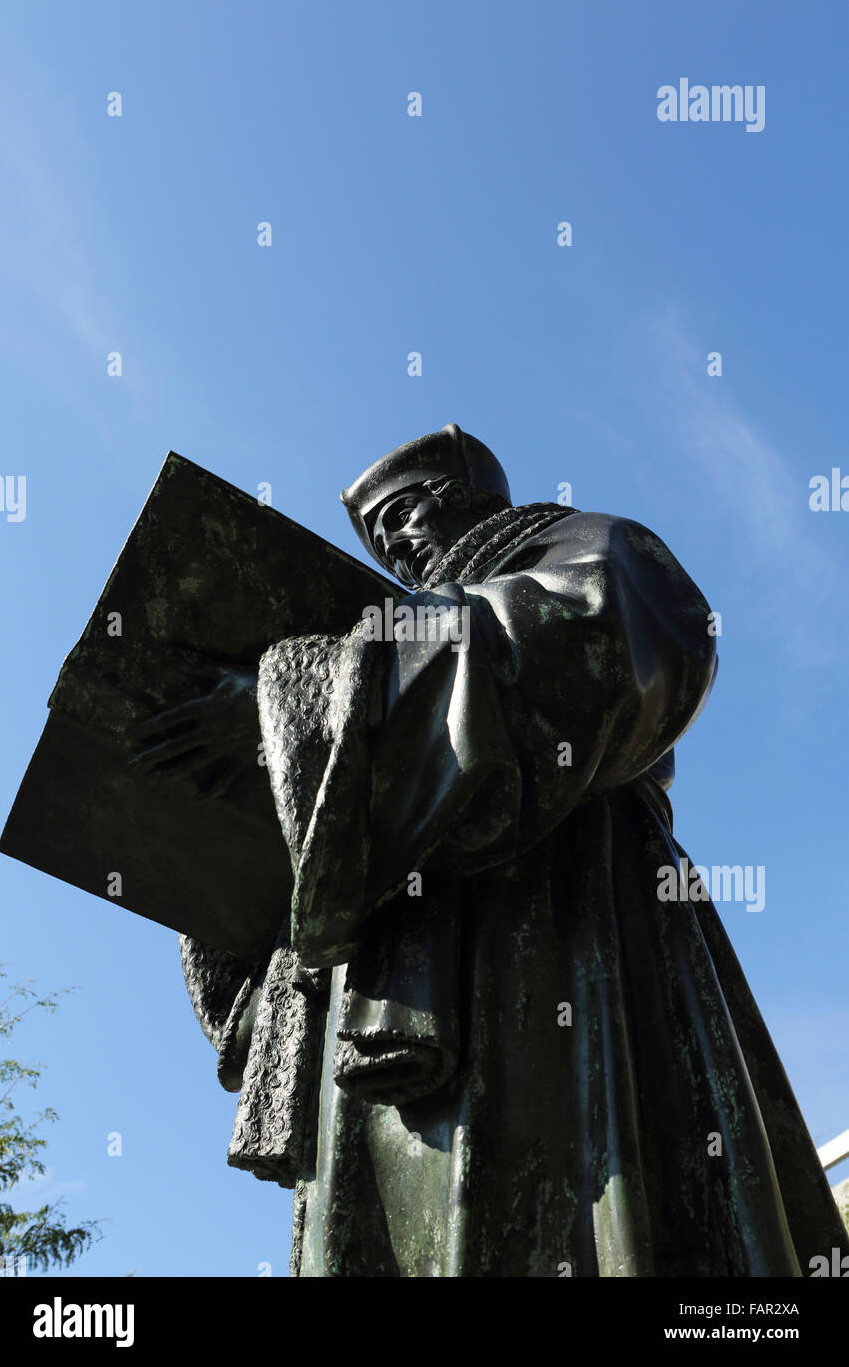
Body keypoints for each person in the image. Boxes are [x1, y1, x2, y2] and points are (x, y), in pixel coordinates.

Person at [166, 424, 847, 1276]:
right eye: (380, 537)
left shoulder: (588, 547)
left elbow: (615, 642)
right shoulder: (400, 632)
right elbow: (310, 865)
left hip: (561, 918)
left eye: (407, 513)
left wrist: (303, 696)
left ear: (471, 498)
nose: (398, 543)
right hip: (385, 976)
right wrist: (261, 763)